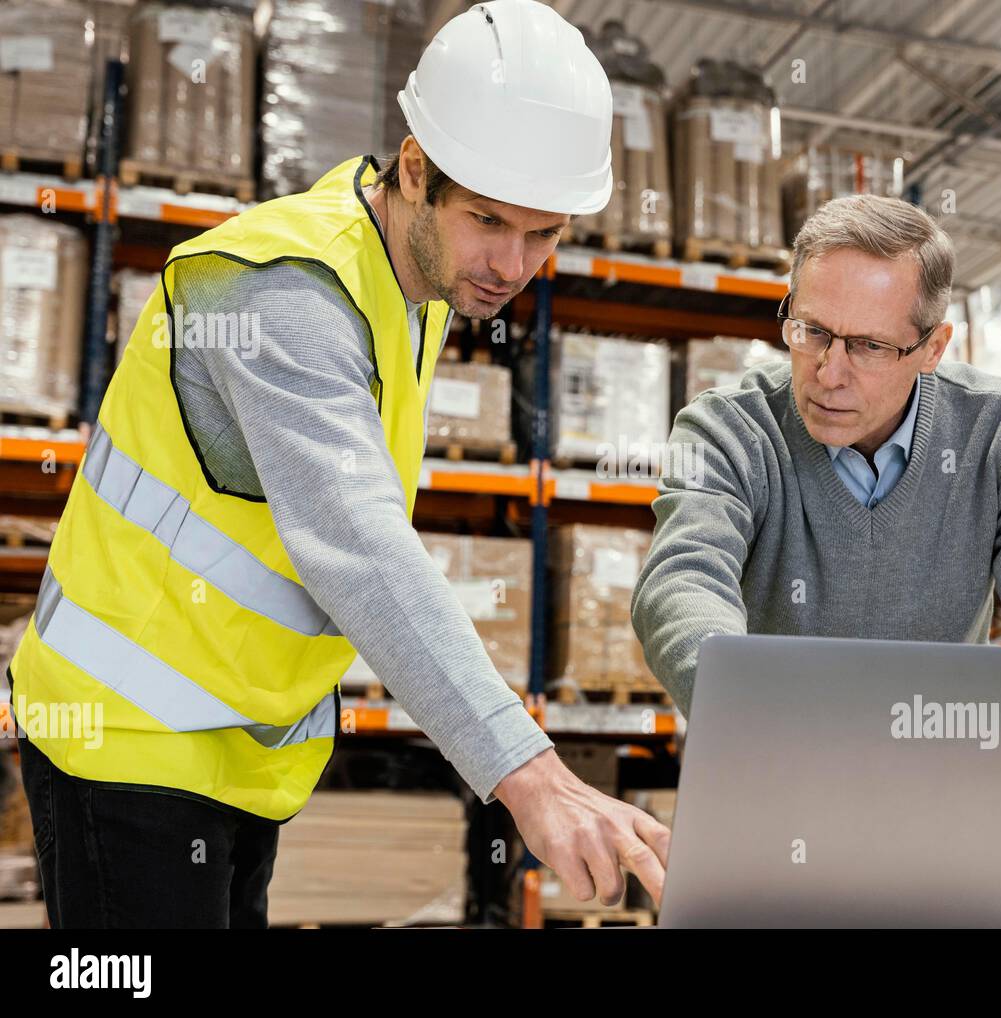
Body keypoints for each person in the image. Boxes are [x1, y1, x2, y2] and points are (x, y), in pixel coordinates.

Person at [5, 0, 668, 929]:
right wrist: (532, 777)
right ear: (413, 169)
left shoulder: (419, 285)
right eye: (489, 220)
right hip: (128, 741)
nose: (512, 264)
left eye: (544, 233)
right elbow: (356, 542)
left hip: (239, 753)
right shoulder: (281, 291)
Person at [631, 192, 1001, 927]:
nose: (828, 371)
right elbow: (680, 584)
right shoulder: (728, 428)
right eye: (811, 331)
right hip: (769, 833)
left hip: (946, 849)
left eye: (869, 346)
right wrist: (757, 719)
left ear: (934, 347)